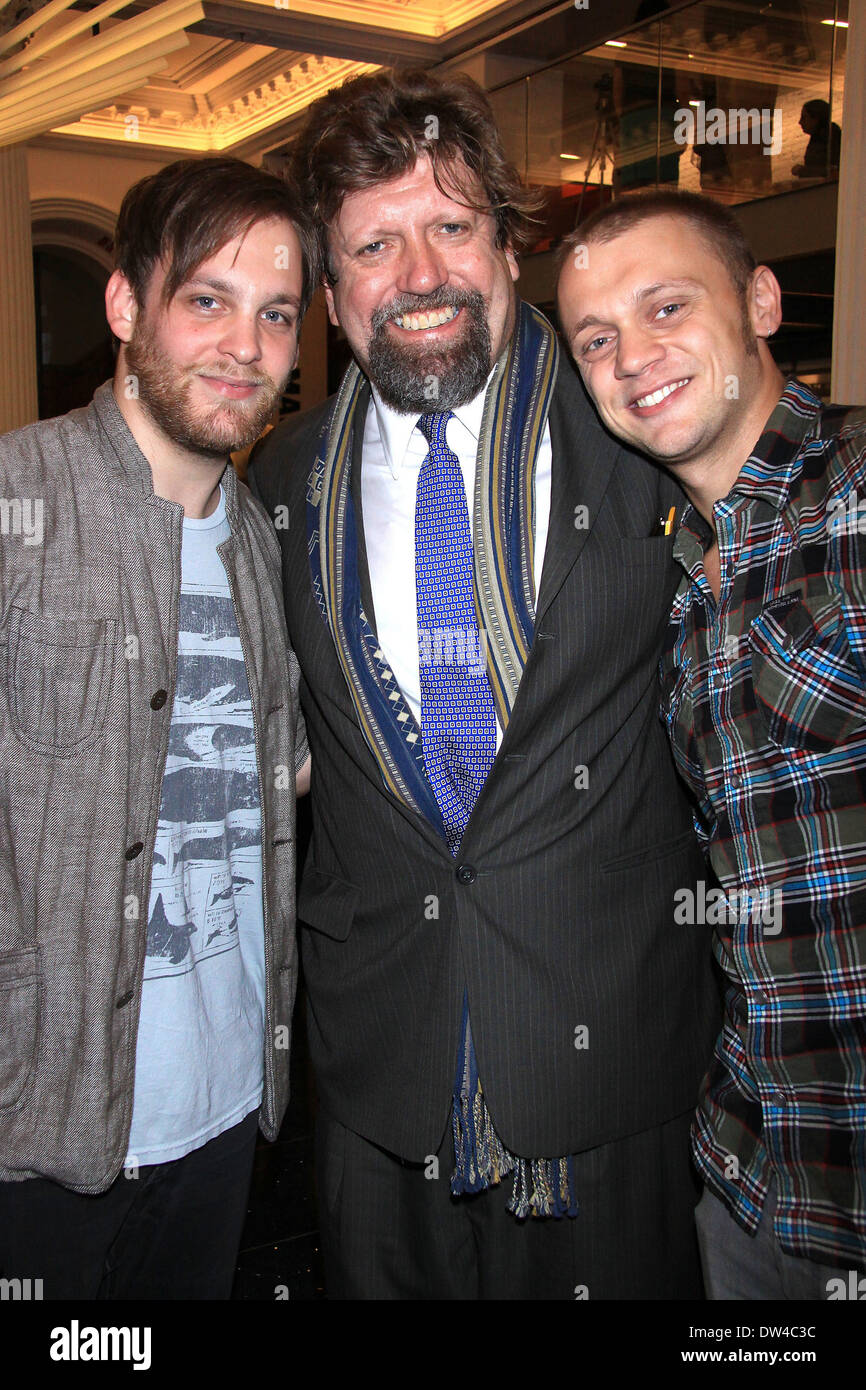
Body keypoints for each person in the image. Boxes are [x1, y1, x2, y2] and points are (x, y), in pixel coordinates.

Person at [248, 68, 719, 1301]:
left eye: (450, 227)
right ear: (330, 292)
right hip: (377, 1077)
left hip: (607, 1071)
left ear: (506, 245)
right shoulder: (279, 484)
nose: (417, 276)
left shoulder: (639, 427)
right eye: (373, 246)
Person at [0, 156, 315, 1299]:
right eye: (206, 300)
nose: (245, 344)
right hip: (41, 1133)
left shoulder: (263, 543)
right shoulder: (15, 507)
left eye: (275, 313)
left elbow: (277, 780)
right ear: (126, 306)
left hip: (226, 1113)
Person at [557, 189, 866, 1297]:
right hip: (751, 1182)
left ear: (762, 302)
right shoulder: (680, 573)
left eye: (666, 307)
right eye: (596, 338)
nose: (632, 356)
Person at [792, 99, 842, 179]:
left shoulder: (831, 135)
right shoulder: (817, 137)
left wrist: (803, 170)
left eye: (804, 117)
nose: (800, 122)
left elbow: (834, 170)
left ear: (816, 118)